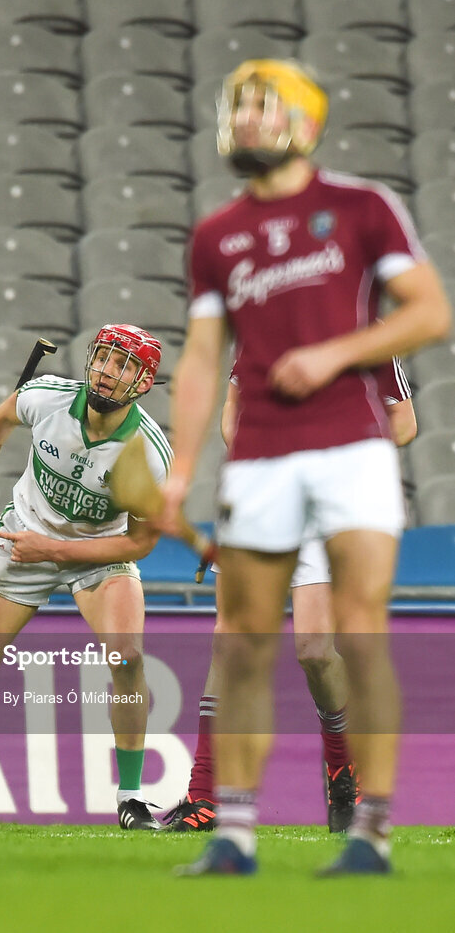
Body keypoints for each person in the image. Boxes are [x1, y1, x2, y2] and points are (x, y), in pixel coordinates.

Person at [156, 59, 450, 875]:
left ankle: (370, 830)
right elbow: (200, 360)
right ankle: (233, 833)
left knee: (348, 642)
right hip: (258, 467)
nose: (246, 117)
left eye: (263, 104)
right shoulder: (216, 235)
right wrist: (180, 472)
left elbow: (428, 311)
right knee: (244, 645)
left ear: (305, 122)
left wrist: (332, 355)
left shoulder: (360, 208)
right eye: (238, 103)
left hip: (352, 455)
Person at [0, 325, 171, 830]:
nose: (107, 373)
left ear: (142, 384)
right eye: (104, 359)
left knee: (128, 657)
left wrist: (56, 549)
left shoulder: (149, 453)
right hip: (22, 536)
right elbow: (3, 416)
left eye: (123, 366)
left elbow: (140, 543)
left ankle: (132, 799)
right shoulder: (48, 398)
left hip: (99, 552)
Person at [164, 358, 416, 835]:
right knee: (232, 641)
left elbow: (404, 420)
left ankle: (342, 764)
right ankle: (204, 796)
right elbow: (234, 406)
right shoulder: (264, 306)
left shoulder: (366, 326)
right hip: (260, 498)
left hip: (324, 508)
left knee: (316, 651)